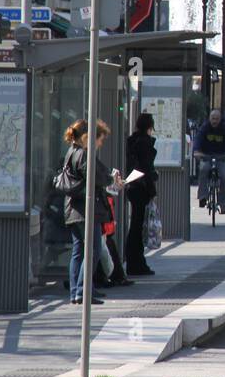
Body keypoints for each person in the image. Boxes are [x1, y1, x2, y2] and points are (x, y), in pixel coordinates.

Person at [60, 118, 120, 305]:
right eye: (100, 139)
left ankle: (76, 292)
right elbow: (95, 177)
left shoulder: (71, 152)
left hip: (73, 209)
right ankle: (82, 291)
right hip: (84, 210)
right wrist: (111, 180)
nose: (100, 144)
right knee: (92, 249)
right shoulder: (84, 155)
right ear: (89, 137)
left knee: (78, 251)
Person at [124, 112, 158, 276]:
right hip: (141, 188)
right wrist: (152, 186)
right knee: (137, 227)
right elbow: (146, 168)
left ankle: (134, 261)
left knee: (136, 226)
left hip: (132, 186)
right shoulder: (144, 143)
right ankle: (136, 263)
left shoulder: (132, 141)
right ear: (150, 126)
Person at [193, 108, 225, 211]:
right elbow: (198, 139)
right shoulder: (205, 127)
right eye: (213, 118)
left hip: (221, 156)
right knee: (203, 170)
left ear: (220, 119)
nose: (214, 121)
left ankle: (223, 204)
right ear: (209, 118)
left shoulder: (224, 128)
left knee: (224, 177)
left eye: (217, 119)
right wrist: (196, 151)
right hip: (206, 156)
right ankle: (203, 197)